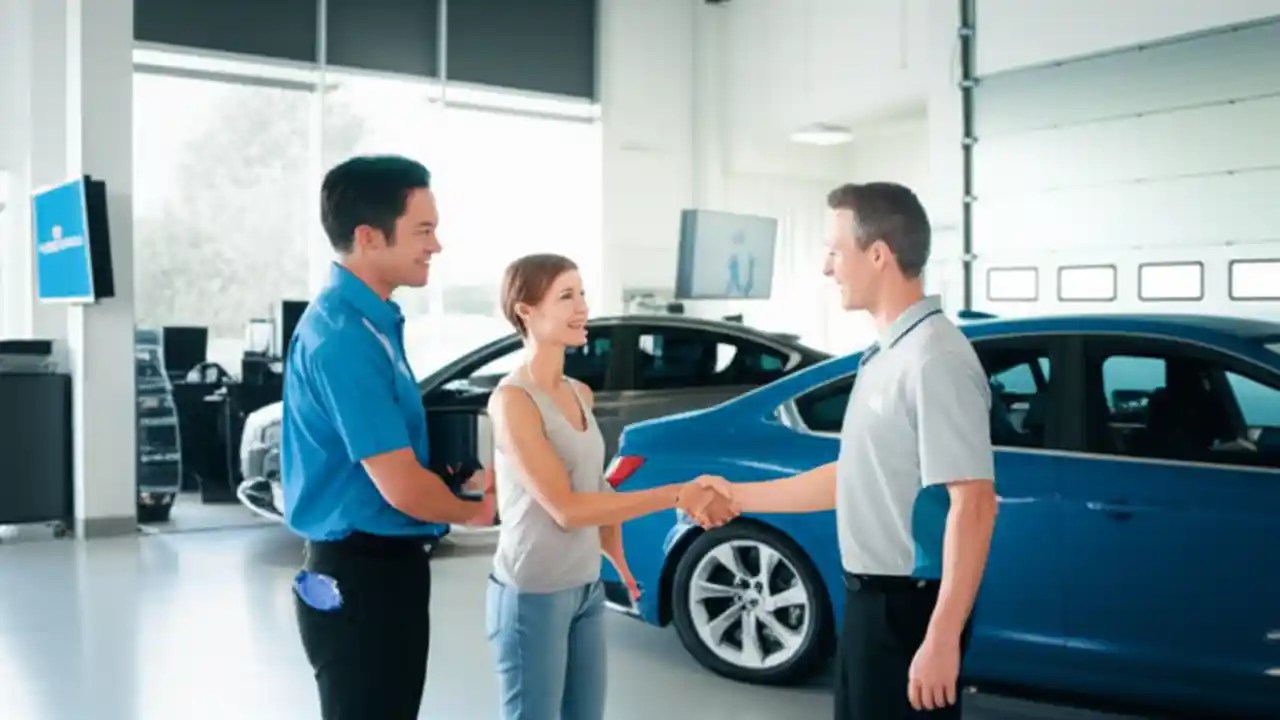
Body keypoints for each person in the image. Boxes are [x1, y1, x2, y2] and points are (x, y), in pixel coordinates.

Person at [692, 183, 998, 718]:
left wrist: (942, 637)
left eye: (834, 251)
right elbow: (851, 477)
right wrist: (735, 494)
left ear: (877, 254)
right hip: (868, 604)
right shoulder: (885, 356)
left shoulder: (934, 360)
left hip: (908, 608)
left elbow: (973, 503)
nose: (826, 268)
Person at [280, 154, 497, 720]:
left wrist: (450, 473)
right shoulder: (344, 337)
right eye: (424, 230)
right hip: (360, 576)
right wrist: (474, 512)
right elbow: (399, 487)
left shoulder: (375, 322)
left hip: (386, 566)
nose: (436, 246)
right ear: (368, 237)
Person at [485, 253, 735, 720]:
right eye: (566, 296)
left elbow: (595, 487)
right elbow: (565, 508)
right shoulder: (513, 401)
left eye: (582, 293)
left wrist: (615, 555)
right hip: (532, 593)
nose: (582, 307)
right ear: (525, 311)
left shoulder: (580, 392)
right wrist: (675, 493)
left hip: (584, 586)